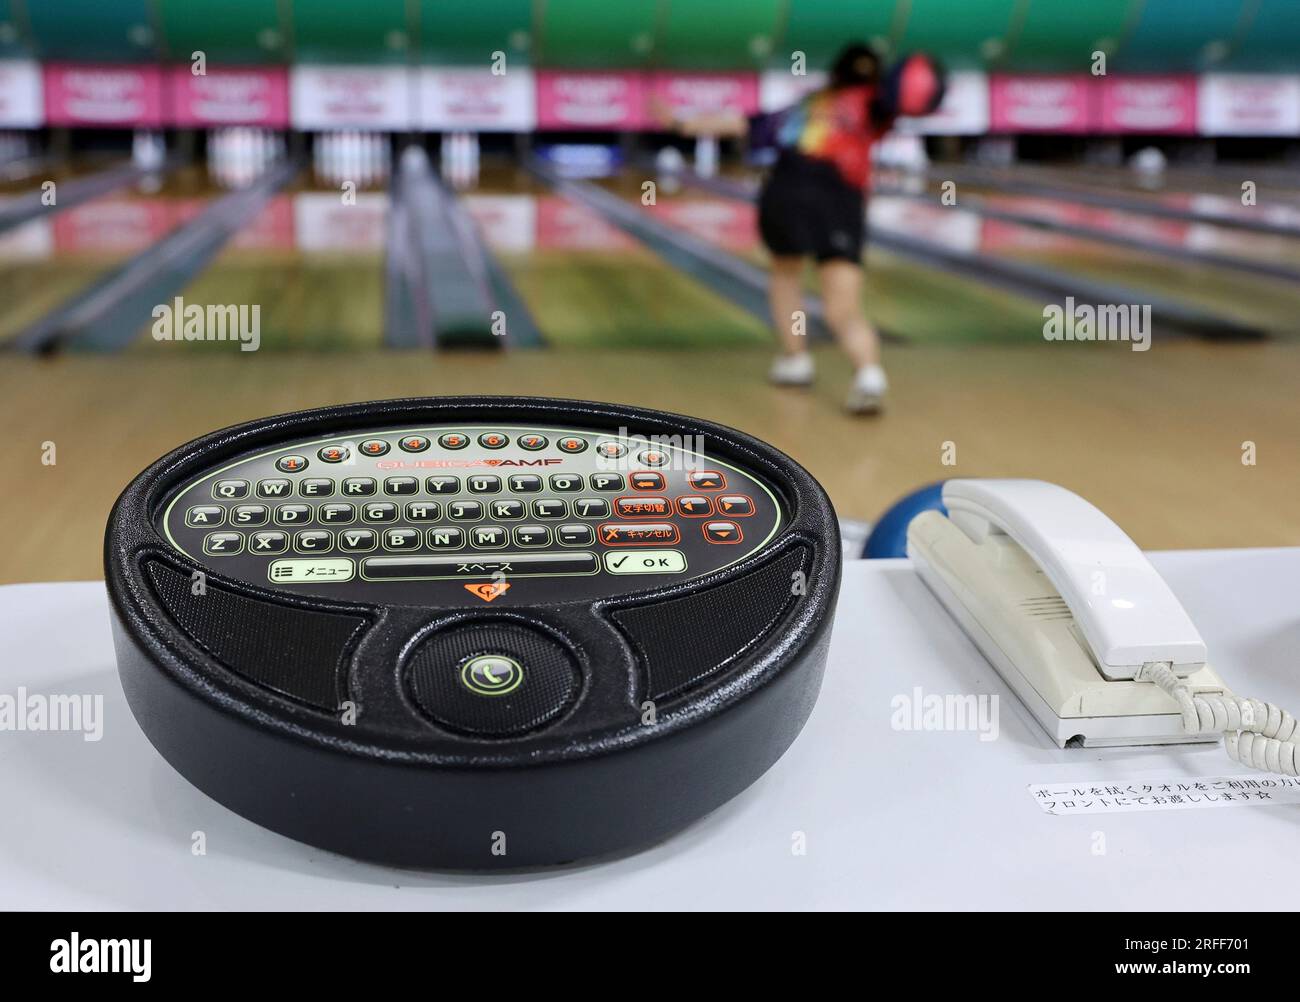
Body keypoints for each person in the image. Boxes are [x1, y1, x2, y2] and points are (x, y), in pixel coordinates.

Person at [757, 44, 945, 414]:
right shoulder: (878, 101)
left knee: (785, 275)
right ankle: (870, 374)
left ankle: (796, 361)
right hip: (841, 201)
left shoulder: (810, 102)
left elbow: (746, 124)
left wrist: (679, 122)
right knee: (843, 307)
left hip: (788, 190)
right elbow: (912, 96)